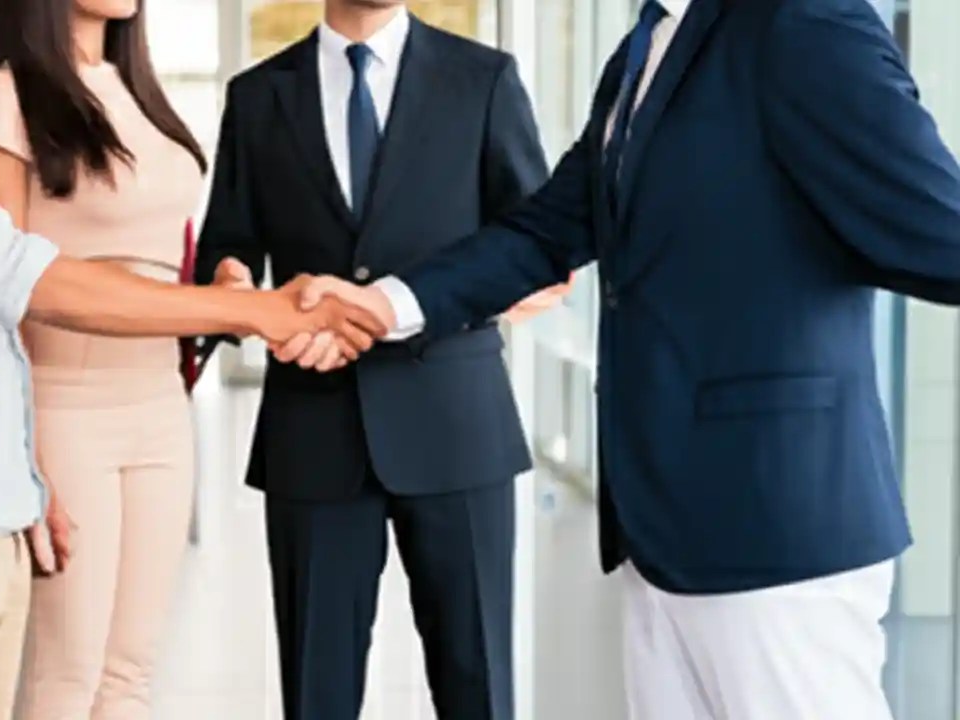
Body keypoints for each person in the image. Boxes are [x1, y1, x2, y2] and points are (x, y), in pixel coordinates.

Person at [298, 0, 960, 717]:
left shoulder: (799, 19)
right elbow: (548, 230)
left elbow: (939, 233)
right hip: (662, 525)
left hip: (778, 519)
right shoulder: (643, 49)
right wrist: (384, 305)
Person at [0, 1, 384, 718]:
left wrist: (22, 473)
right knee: (66, 682)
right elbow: (24, 282)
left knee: (117, 681)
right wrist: (255, 310)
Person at [195, 1, 558, 717]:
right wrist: (243, 294)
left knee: (478, 686)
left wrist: (402, 309)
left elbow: (540, 254)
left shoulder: (483, 79)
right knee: (316, 692)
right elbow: (226, 252)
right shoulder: (257, 94)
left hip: (458, 427)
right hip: (312, 427)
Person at [0, 0, 204, 716]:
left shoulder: (139, 93)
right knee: (69, 674)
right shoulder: (4, 100)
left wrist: (222, 288)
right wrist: (21, 449)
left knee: (130, 672)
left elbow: (163, 259)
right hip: (65, 409)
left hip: (162, 406)